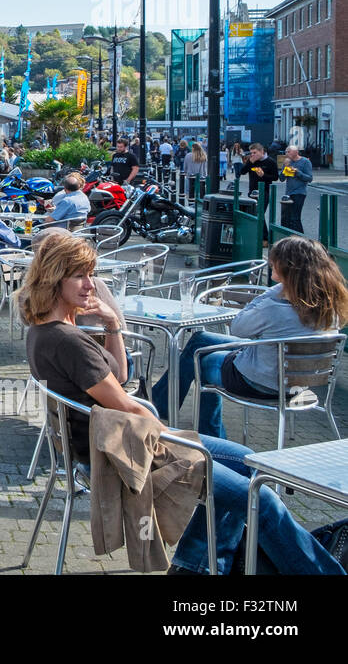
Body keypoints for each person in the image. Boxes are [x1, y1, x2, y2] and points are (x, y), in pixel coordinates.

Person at [22, 232, 344, 575]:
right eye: (80, 275)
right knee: (259, 497)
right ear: (55, 277)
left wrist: (112, 323)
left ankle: (194, 565)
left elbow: (121, 376)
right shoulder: (68, 340)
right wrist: (173, 436)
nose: (91, 284)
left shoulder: (47, 329)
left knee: (251, 465)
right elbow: (128, 405)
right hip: (124, 450)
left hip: (121, 438)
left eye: (91, 273)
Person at [153, 235, 348, 438]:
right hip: (298, 384)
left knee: (200, 358)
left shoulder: (273, 307)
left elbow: (238, 327)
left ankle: (210, 437)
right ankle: (161, 405)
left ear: (288, 269)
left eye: (275, 264)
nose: (271, 268)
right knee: (200, 339)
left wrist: (273, 291)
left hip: (261, 383)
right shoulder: (331, 307)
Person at [280, 145, 314, 233]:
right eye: (286, 152)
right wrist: (285, 166)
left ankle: (300, 240)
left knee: (295, 217)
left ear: (296, 152)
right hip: (288, 193)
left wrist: (297, 172)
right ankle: (287, 239)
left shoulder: (305, 162)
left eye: (288, 151)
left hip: (299, 192)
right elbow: (281, 178)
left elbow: (309, 178)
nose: (286, 154)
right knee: (285, 218)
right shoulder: (288, 162)